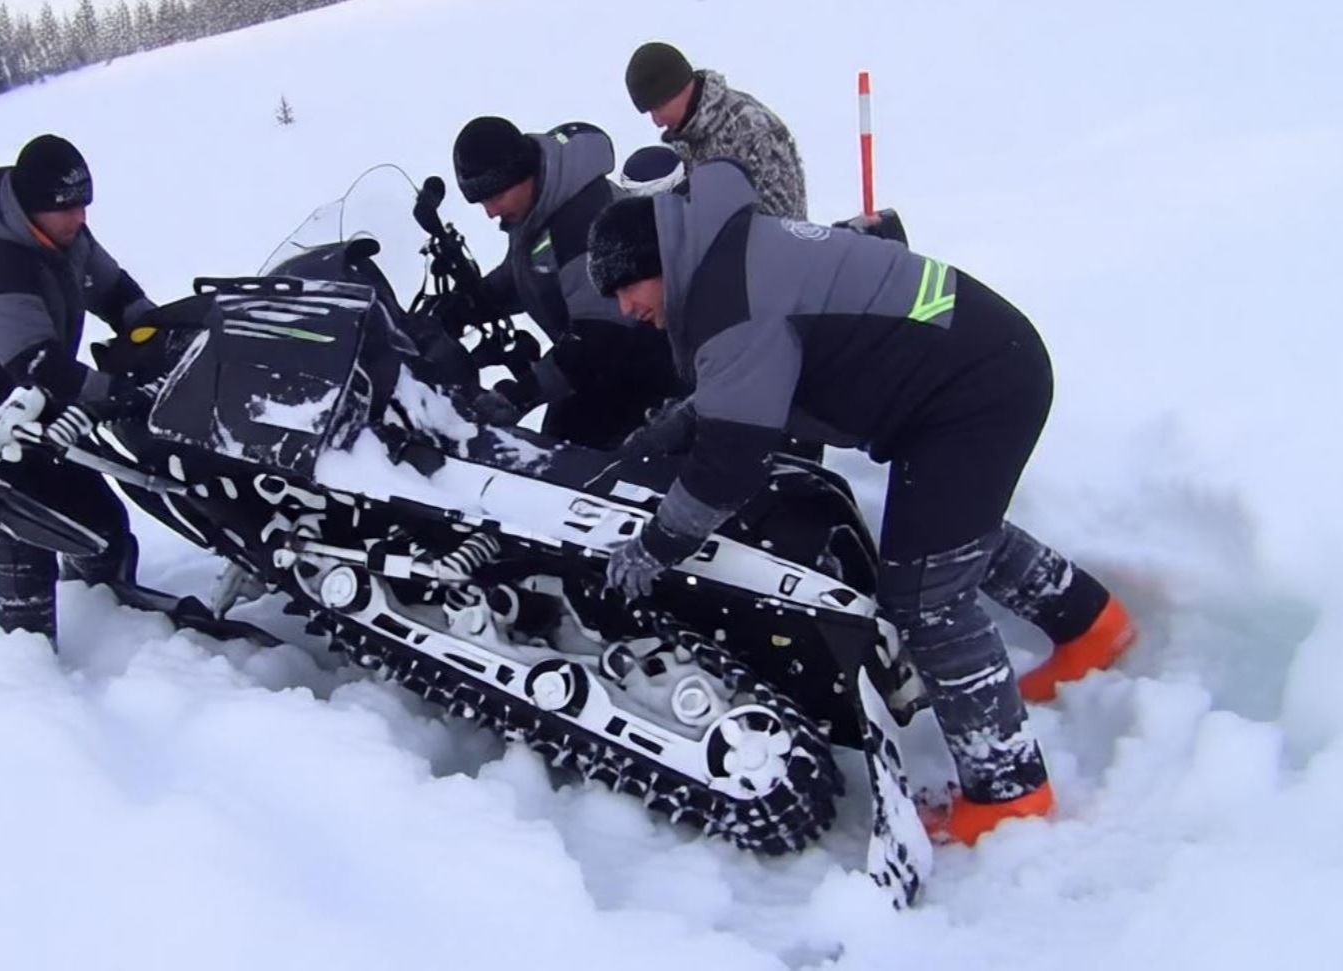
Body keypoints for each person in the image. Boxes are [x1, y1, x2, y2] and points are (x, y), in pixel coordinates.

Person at [584, 159, 1139, 844]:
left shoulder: (729, 299)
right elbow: (756, 367)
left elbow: (730, 464)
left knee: (927, 591)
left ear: (659, 260)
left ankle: (1008, 792)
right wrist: (685, 418)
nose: (624, 308)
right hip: (984, 362)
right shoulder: (727, 253)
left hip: (973, 391)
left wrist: (657, 545)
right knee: (950, 531)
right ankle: (1092, 625)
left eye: (626, 288)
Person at [0, 133, 158, 646]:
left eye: (84, 205)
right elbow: (42, 365)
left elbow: (118, 295)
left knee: (100, 527)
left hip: (29, 406)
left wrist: (168, 338)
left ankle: (119, 634)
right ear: (29, 208)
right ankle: (23, 676)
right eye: (65, 209)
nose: (79, 219)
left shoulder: (64, 237)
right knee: (24, 544)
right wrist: (128, 392)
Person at [449, 116, 685, 448]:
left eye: (495, 196)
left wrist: (520, 395)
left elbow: (600, 336)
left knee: (564, 471)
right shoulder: (540, 207)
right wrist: (472, 304)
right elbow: (531, 272)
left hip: (641, 381)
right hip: (596, 375)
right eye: (482, 201)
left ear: (521, 173)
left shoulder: (581, 222)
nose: (490, 211)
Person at [625, 41, 807, 220]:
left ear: (677, 90)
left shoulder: (756, 132)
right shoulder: (684, 128)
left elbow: (787, 224)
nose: (656, 121)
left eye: (657, 108)